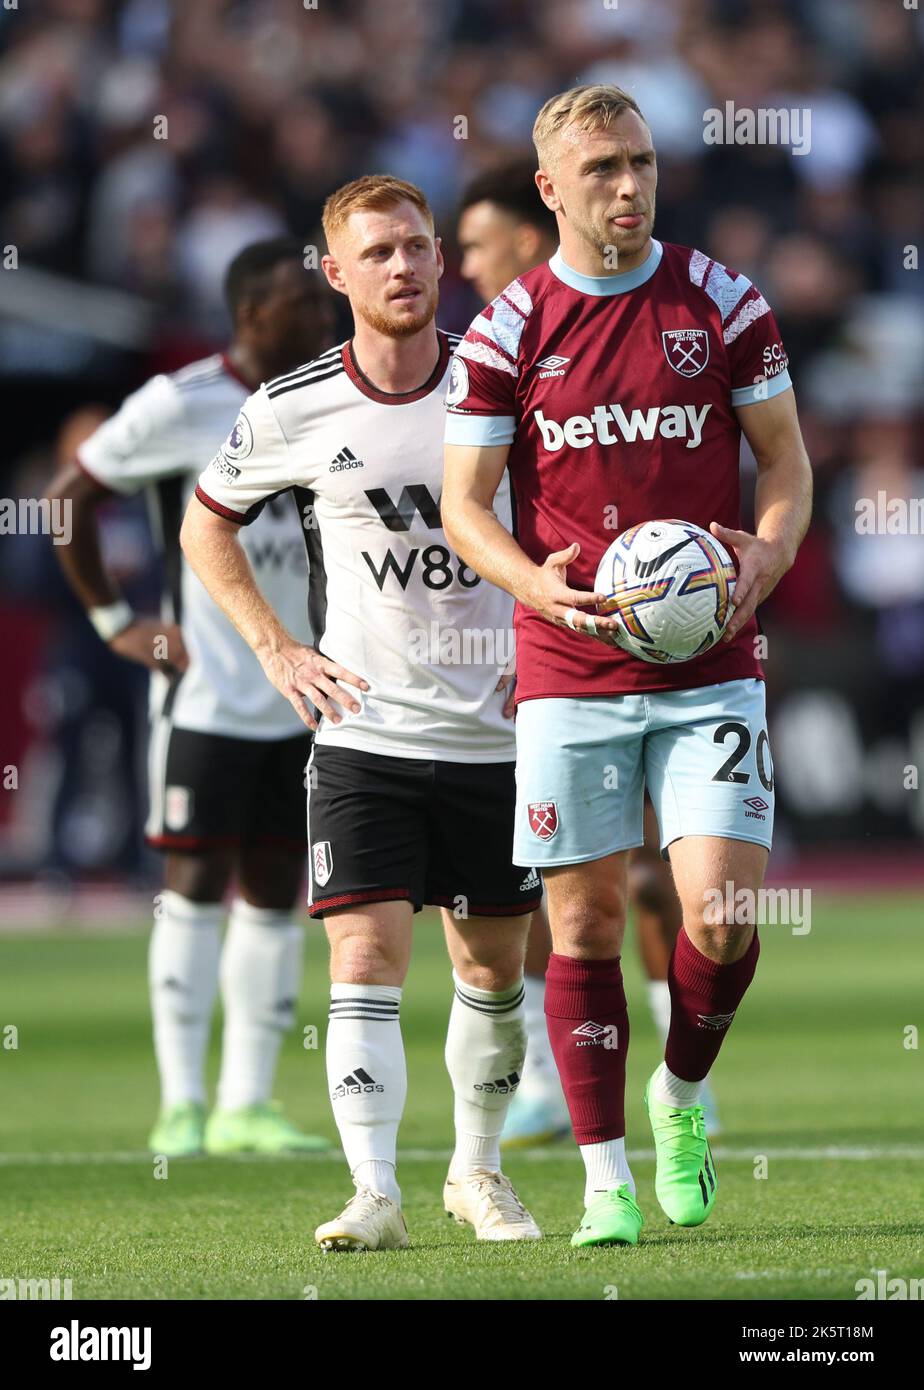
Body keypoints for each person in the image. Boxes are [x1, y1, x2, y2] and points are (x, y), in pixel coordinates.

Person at [442, 85, 812, 1247]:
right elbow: (464, 505)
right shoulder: (509, 330)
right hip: (568, 661)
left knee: (721, 911)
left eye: (642, 163)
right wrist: (533, 583)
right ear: (550, 189)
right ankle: (604, 1175)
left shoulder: (722, 299)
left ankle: (684, 1094)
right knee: (588, 920)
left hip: (710, 657)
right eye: (602, 168)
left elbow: (787, 463)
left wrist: (768, 552)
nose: (629, 185)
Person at [181, 176, 543, 1251]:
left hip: (500, 734)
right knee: (365, 959)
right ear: (335, 274)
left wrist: (551, 643)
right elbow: (210, 527)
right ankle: (375, 1193)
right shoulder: (293, 406)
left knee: (491, 972)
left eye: (418, 248)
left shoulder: (505, 379)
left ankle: (477, 1175)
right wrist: (278, 648)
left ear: (443, 259)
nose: (403, 267)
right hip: (364, 736)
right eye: (378, 252)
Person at [46, 238, 335, 1158]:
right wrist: (112, 622)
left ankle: (246, 1103)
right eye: (303, 301)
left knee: (274, 889)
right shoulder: (184, 402)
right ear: (252, 313)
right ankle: (182, 1103)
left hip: (307, 691)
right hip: (204, 696)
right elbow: (68, 497)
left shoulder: (336, 392)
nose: (323, 315)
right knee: (194, 887)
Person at [457, 158, 720, 1148]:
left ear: (531, 231)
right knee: (526, 878)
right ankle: (537, 1068)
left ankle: (678, 1063)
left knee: (646, 874)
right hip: (505, 655)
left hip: (620, 642)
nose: (466, 266)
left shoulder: (648, 317)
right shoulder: (488, 345)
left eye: (478, 246)